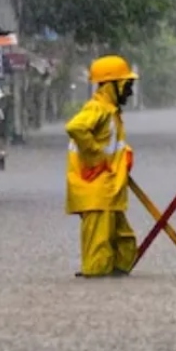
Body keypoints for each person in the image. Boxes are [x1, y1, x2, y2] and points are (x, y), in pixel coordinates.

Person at [65, 55, 138, 278]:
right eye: (126, 86)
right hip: (96, 187)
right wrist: (96, 155)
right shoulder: (98, 109)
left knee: (123, 238)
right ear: (112, 86)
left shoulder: (111, 112)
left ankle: (117, 270)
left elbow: (113, 145)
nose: (130, 92)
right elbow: (75, 127)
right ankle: (96, 276)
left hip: (109, 188)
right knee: (98, 245)